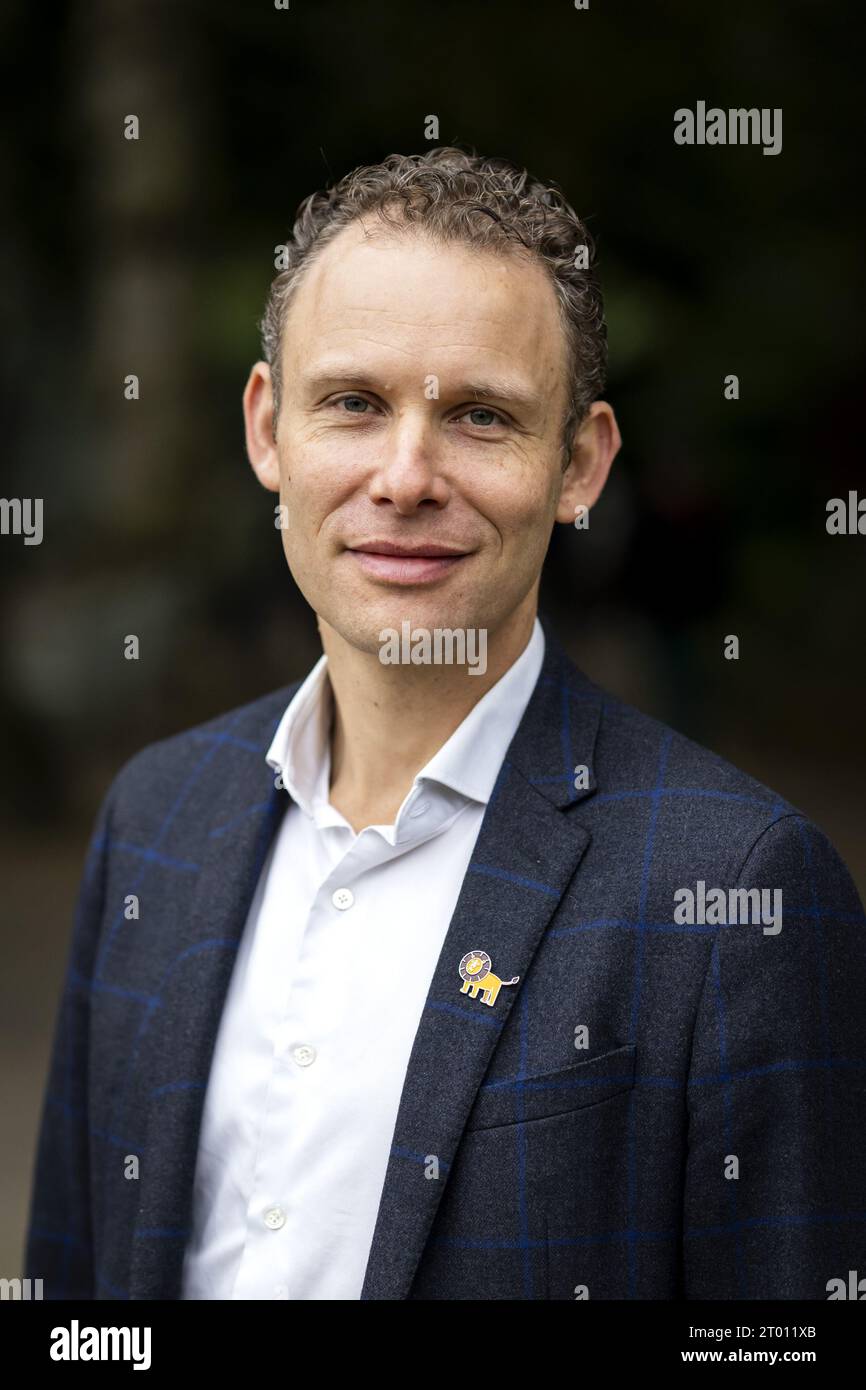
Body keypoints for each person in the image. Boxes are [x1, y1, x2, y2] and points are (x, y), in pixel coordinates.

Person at [24, 147, 866, 1301]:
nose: (406, 476)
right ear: (269, 431)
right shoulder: (152, 816)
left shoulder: (739, 889)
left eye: (478, 415)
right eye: (355, 403)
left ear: (578, 464)